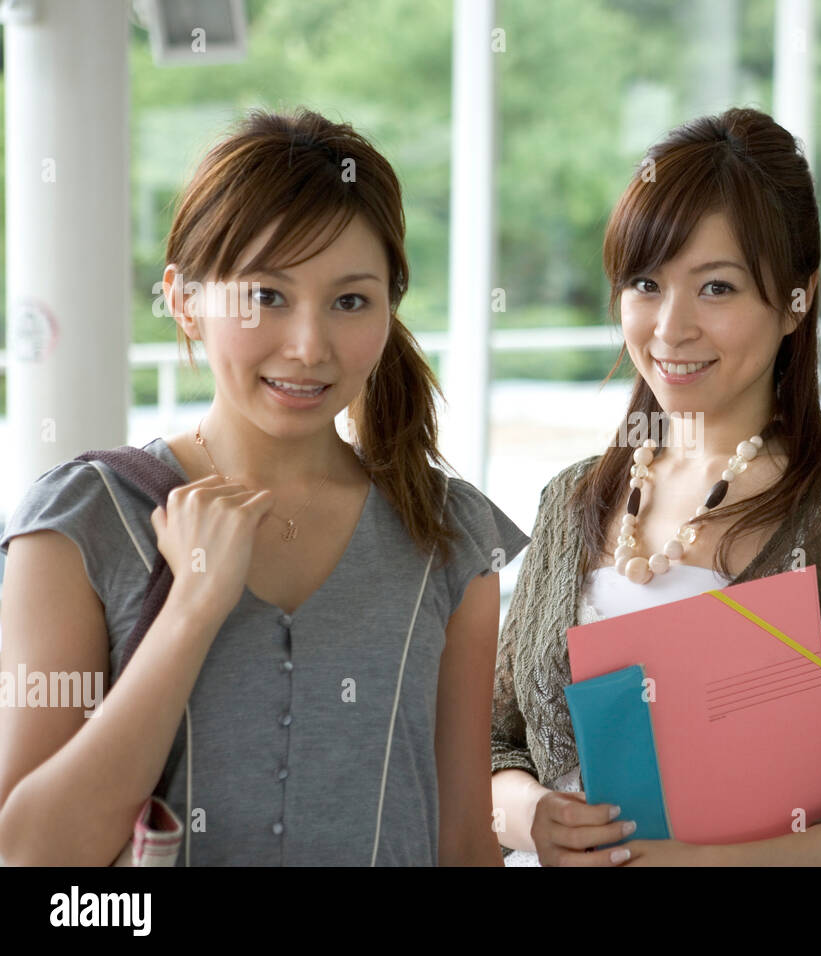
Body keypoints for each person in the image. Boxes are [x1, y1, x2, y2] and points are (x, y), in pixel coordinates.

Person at [0, 109, 527, 866]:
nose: (309, 346)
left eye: (350, 301)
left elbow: (464, 844)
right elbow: (33, 854)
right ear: (184, 299)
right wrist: (192, 609)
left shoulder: (449, 535)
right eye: (265, 297)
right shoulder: (82, 520)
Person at [490, 107, 821, 867]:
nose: (671, 329)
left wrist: (702, 865)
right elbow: (493, 739)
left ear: (795, 301)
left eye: (717, 288)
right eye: (646, 283)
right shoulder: (574, 500)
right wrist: (531, 814)